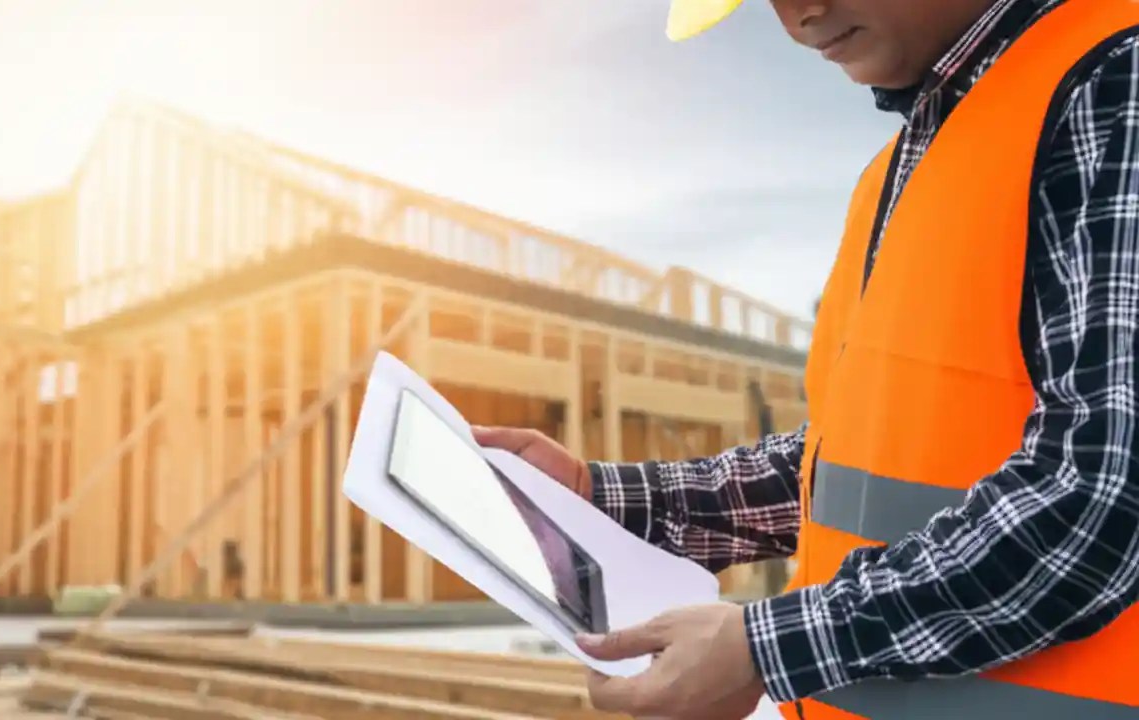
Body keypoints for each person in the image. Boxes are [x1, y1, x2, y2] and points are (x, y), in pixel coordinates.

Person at [474, 0, 1139, 717]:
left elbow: (1103, 501)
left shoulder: (1113, 86)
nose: (799, 16)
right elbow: (854, 464)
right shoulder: (909, 164)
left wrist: (770, 648)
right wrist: (604, 498)